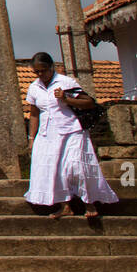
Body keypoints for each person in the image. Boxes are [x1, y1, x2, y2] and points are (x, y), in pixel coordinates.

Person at [24, 51, 118, 219]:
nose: (40, 74)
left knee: (77, 166)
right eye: (36, 72)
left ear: (51, 67)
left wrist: (66, 99)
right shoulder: (34, 87)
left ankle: (89, 202)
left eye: (43, 71)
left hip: (71, 130)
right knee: (53, 169)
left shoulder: (65, 82)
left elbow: (89, 102)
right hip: (47, 134)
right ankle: (64, 205)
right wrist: (31, 138)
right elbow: (34, 114)